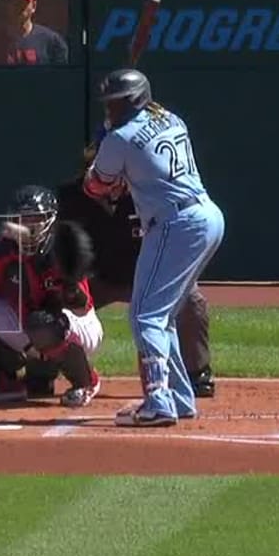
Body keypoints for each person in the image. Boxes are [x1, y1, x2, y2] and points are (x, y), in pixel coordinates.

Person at [84, 69, 224, 427]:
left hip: (175, 225)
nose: (109, 109)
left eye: (114, 103)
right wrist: (110, 150)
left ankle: (158, 402)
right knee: (161, 316)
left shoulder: (119, 138)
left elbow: (97, 188)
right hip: (206, 217)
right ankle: (178, 398)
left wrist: (99, 154)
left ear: (130, 102)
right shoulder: (170, 118)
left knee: (145, 316)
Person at [56, 140, 216, 398]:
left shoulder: (149, 194)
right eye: (98, 170)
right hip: (98, 279)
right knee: (49, 302)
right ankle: (42, 372)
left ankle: (197, 374)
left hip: (150, 277)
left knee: (191, 299)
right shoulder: (70, 198)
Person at [0, 185, 103, 407]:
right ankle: (3, 383)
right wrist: (30, 348)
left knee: (41, 324)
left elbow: (82, 307)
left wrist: (70, 289)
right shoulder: (4, 252)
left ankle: (86, 381)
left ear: (50, 220)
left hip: (76, 324)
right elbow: (10, 297)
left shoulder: (63, 245)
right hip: (32, 320)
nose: (30, 225)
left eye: (37, 219)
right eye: (24, 219)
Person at [0, 0, 68, 66]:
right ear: (6, 6)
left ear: (34, 6)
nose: (18, 6)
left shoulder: (53, 42)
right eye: (13, 1)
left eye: (23, 2)